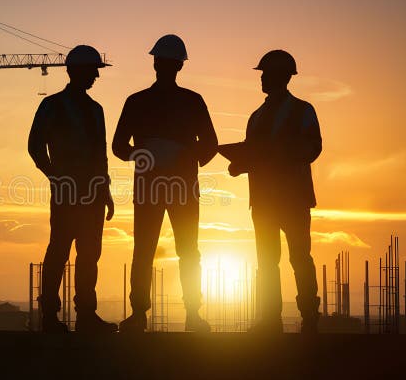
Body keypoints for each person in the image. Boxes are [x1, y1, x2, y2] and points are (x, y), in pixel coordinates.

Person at [112, 35, 218, 332]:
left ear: (156, 63)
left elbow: (120, 147)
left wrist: (152, 156)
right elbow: (210, 146)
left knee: (150, 250)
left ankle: (143, 315)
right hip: (172, 187)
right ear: (178, 66)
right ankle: (191, 315)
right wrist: (169, 156)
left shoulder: (140, 102)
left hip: (164, 187)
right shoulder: (188, 102)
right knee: (181, 250)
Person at [227, 50, 322, 334]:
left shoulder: (303, 110)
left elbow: (313, 148)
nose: (262, 79)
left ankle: (309, 316)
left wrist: (279, 157)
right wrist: (240, 165)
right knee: (267, 260)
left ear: (281, 76)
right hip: (264, 200)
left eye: (266, 74)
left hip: (292, 197)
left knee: (299, 257)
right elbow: (254, 153)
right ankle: (270, 318)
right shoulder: (256, 117)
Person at [28, 44, 117, 334]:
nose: (95, 77)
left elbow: (100, 155)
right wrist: (56, 177)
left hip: (91, 195)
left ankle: (86, 315)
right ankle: (51, 317)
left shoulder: (95, 110)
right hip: (67, 194)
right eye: (92, 71)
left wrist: (105, 192)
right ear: (75, 71)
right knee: (60, 251)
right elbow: (35, 146)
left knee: (89, 254)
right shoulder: (52, 106)